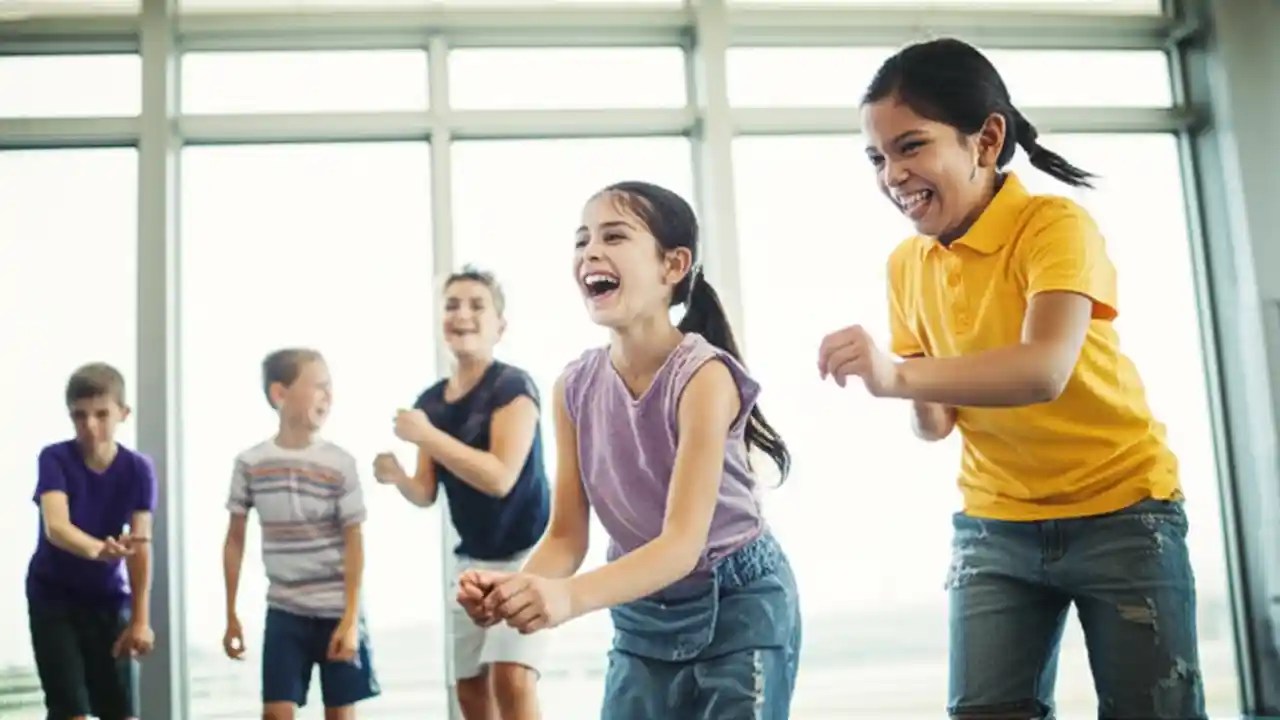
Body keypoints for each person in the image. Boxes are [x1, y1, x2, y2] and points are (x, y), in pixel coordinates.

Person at [817, 37, 1205, 720]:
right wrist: (894, 381)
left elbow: (1043, 370)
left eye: (911, 146)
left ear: (986, 139)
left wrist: (898, 372)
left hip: (1123, 510)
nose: (892, 175)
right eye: (877, 158)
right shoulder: (907, 266)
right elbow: (935, 423)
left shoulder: (1052, 225)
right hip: (997, 525)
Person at [456, 181, 802, 719]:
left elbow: (681, 545)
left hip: (739, 603)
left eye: (614, 236)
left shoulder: (705, 377)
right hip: (643, 613)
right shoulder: (572, 387)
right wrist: (520, 587)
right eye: (581, 241)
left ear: (673, 266)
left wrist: (567, 599)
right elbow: (568, 533)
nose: (591, 251)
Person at [375, 266, 550, 720]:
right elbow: (426, 492)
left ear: (500, 326)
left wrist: (426, 437)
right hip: (470, 563)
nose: (463, 314)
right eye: (452, 305)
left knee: (510, 676)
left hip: (526, 557)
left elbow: (499, 478)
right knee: (471, 690)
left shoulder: (514, 387)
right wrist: (398, 477)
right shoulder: (430, 402)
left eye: (477, 305)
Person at [223, 348, 379, 720]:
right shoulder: (250, 464)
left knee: (340, 713)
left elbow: (355, 543)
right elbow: (234, 540)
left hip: (337, 610)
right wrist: (230, 613)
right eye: (319, 387)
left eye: (331, 388)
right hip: (285, 611)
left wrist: (350, 618)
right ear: (280, 394)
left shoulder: (341, 464)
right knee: (276, 713)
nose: (329, 396)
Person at [26, 362, 157, 720]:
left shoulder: (137, 469)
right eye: (80, 416)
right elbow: (56, 526)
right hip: (53, 598)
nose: (91, 426)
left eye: (102, 414)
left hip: (107, 600)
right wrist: (99, 550)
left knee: (120, 710)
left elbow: (140, 543)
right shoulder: (55, 458)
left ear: (123, 413)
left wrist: (140, 620)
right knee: (72, 710)